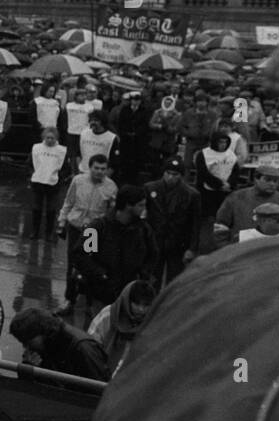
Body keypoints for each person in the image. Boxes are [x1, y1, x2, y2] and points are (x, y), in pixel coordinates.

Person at [72, 184, 157, 324]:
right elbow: (81, 255)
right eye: (141, 205)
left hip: (129, 295)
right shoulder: (98, 227)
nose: (144, 209)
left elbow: (153, 254)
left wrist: (143, 275)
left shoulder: (143, 230)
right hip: (101, 293)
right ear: (128, 206)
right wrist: (101, 274)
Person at [54, 154, 117, 319]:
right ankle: (69, 299)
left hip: (92, 232)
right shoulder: (78, 181)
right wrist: (61, 222)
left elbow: (112, 213)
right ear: (90, 167)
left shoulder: (111, 187)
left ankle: (90, 302)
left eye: (103, 169)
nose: (99, 172)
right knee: (72, 264)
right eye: (96, 168)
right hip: (76, 227)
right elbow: (68, 202)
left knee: (89, 265)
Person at [9, 307, 110, 382]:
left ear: (41, 333)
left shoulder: (81, 347)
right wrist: (28, 369)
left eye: (28, 342)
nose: (26, 347)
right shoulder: (45, 347)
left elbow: (98, 386)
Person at [144, 156, 199, 285]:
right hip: (154, 241)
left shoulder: (191, 194)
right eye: (168, 173)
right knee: (151, 278)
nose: (170, 177)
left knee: (174, 281)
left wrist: (192, 248)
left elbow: (195, 223)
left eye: (175, 174)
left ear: (180, 175)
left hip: (178, 243)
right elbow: (144, 216)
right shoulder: (150, 188)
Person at [87, 280, 156, 377]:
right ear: (127, 300)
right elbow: (91, 348)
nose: (141, 309)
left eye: (146, 305)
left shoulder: (152, 322)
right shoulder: (108, 316)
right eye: (137, 304)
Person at [213, 162, 279, 246]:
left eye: (275, 181)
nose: (272, 184)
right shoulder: (236, 198)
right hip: (240, 249)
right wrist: (226, 249)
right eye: (267, 179)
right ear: (256, 179)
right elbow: (220, 226)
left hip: (272, 250)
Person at [29, 126, 67, 238]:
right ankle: (35, 231)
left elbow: (65, 168)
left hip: (53, 184)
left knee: (51, 209)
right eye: (48, 138)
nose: (50, 140)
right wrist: (32, 174)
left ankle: (49, 233)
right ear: (43, 137)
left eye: (52, 138)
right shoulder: (36, 148)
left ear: (56, 138)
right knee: (37, 208)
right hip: (38, 182)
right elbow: (30, 163)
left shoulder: (62, 151)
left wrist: (60, 178)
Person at [195, 130, 238, 220]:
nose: (223, 144)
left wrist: (230, 184)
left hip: (226, 189)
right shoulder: (204, 154)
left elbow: (235, 171)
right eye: (221, 142)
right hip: (208, 190)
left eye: (225, 142)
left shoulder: (231, 155)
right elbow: (203, 173)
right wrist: (219, 184)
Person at [78, 110, 119, 175]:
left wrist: (106, 177)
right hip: (83, 172)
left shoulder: (111, 138)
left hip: (100, 174)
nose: (93, 122)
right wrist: (80, 169)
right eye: (91, 120)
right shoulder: (84, 133)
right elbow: (78, 153)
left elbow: (114, 162)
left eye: (96, 120)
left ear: (102, 122)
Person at [63, 88, 94, 175]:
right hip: (71, 133)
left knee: (82, 154)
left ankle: (81, 171)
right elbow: (64, 119)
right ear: (76, 96)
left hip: (84, 134)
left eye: (84, 95)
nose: (83, 97)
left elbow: (91, 120)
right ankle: (73, 172)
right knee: (72, 154)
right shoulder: (69, 105)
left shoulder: (90, 107)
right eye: (80, 95)